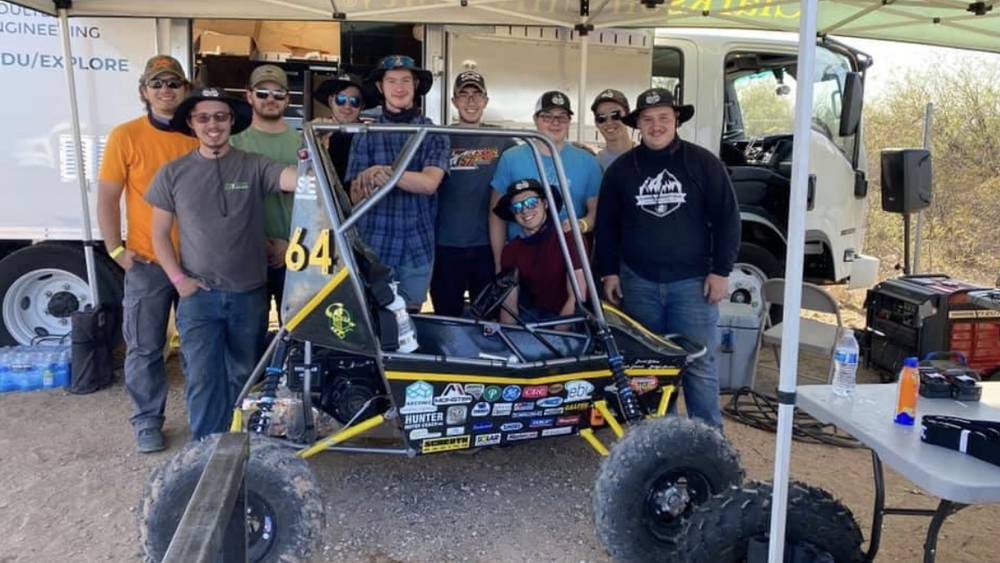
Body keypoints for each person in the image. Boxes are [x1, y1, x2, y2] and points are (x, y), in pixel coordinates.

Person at [146, 88, 298, 441]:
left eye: (220, 116)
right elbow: (159, 236)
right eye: (203, 117)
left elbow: (294, 180)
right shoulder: (173, 173)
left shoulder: (253, 164)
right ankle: (206, 449)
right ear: (191, 123)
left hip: (249, 294)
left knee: (244, 374)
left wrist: (312, 164)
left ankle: (239, 447)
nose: (212, 124)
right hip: (199, 297)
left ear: (232, 122)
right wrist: (179, 280)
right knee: (202, 377)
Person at [595, 87, 740, 427]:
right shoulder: (621, 170)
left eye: (663, 118)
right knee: (650, 370)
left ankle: (709, 444)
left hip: (693, 286)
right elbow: (607, 226)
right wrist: (609, 273)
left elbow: (728, 219)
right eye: (647, 119)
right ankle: (661, 441)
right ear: (638, 125)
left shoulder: (703, 163)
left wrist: (721, 271)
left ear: (676, 119)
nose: (656, 126)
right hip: (639, 283)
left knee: (698, 364)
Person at [96, 55, 198, 453]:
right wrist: (115, 249)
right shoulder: (126, 135)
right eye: (157, 84)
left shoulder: (200, 133)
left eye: (173, 83)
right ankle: (147, 421)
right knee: (144, 347)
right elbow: (107, 197)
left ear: (184, 89)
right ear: (144, 92)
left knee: (197, 347)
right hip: (147, 262)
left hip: (196, 263)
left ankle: (203, 422)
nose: (165, 90)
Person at [345, 55, 450, 311]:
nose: (398, 87)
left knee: (412, 322)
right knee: (373, 320)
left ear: (415, 85)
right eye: (391, 80)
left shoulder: (434, 132)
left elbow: (429, 183)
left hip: (418, 247)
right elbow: (355, 196)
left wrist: (383, 173)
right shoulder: (364, 134)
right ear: (381, 87)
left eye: (405, 80)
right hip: (374, 248)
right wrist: (391, 178)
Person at [430, 70, 516, 317]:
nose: (470, 101)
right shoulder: (439, 138)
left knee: (487, 319)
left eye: (476, 95)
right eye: (464, 95)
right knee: (447, 318)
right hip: (445, 246)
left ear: (486, 101)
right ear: (454, 101)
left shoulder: (503, 141)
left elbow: (527, 171)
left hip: (486, 248)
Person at [489, 90, 601, 271]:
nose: (555, 123)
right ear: (535, 119)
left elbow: (596, 213)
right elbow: (496, 216)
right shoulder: (511, 158)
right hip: (521, 258)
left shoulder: (587, 161)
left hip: (568, 262)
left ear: (569, 121)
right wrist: (499, 264)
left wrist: (581, 224)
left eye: (562, 117)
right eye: (547, 117)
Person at [230, 65, 300, 321]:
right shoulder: (232, 142)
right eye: (262, 93)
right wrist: (260, 242)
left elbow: (316, 205)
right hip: (246, 255)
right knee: (246, 343)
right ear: (249, 96)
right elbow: (226, 204)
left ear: (287, 99)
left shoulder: (304, 144)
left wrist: (292, 245)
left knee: (295, 338)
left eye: (278, 94)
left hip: (293, 256)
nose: (270, 99)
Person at [494, 179, 586, 329]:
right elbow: (509, 306)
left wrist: (556, 338)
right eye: (517, 207)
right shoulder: (511, 250)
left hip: (572, 320)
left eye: (531, 203)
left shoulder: (568, 237)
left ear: (545, 203)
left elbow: (578, 296)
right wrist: (507, 338)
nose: (525, 210)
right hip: (534, 318)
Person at [314, 73, 367, 183]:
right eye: (341, 99)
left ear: (362, 106)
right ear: (330, 101)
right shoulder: (316, 132)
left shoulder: (370, 135)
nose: (347, 106)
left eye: (354, 101)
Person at [591, 88, 634, 171]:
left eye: (615, 115)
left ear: (628, 116)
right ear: (596, 123)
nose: (609, 122)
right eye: (601, 117)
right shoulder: (594, 164)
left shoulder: (645, 157)